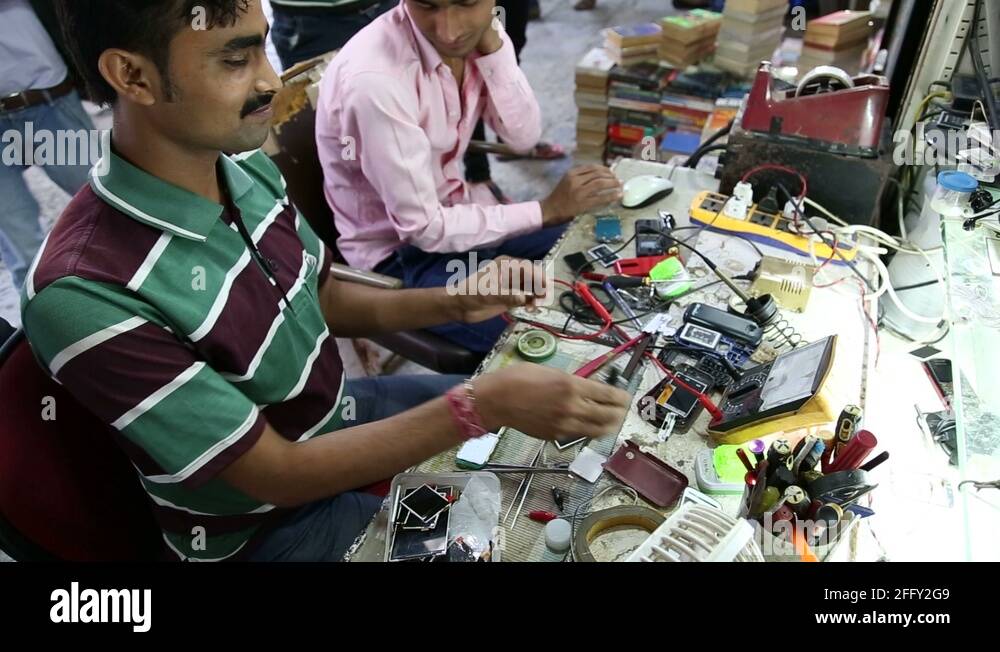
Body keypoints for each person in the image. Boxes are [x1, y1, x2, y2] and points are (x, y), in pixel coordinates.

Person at [32, 0, 630, 562]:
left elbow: (319, 294)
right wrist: (478, 407)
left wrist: (454, 299)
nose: (271, 82)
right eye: (236, 60)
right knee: (517, 527)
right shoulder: (87, 292)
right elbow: (275, 474)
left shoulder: (240, 166)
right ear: (133, 77)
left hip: (332, 411)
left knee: (542, 448)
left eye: (264, 48)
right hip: (264, 527)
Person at [316, 0, 622, 352]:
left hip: (459, 217)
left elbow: (522, 136)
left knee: (600, 242)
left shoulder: (482, 35)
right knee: (565, 338)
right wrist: (546, 209)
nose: (449, 30)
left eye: (466, 2)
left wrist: (494, 48)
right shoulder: (376, 82)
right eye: (426, 6)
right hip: (401, 256)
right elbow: (424, 229)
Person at [0, 0, 95, 290]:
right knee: (23, 251)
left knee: (110, 202)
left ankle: (155, 289)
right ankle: (50, 328)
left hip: (47, 96)